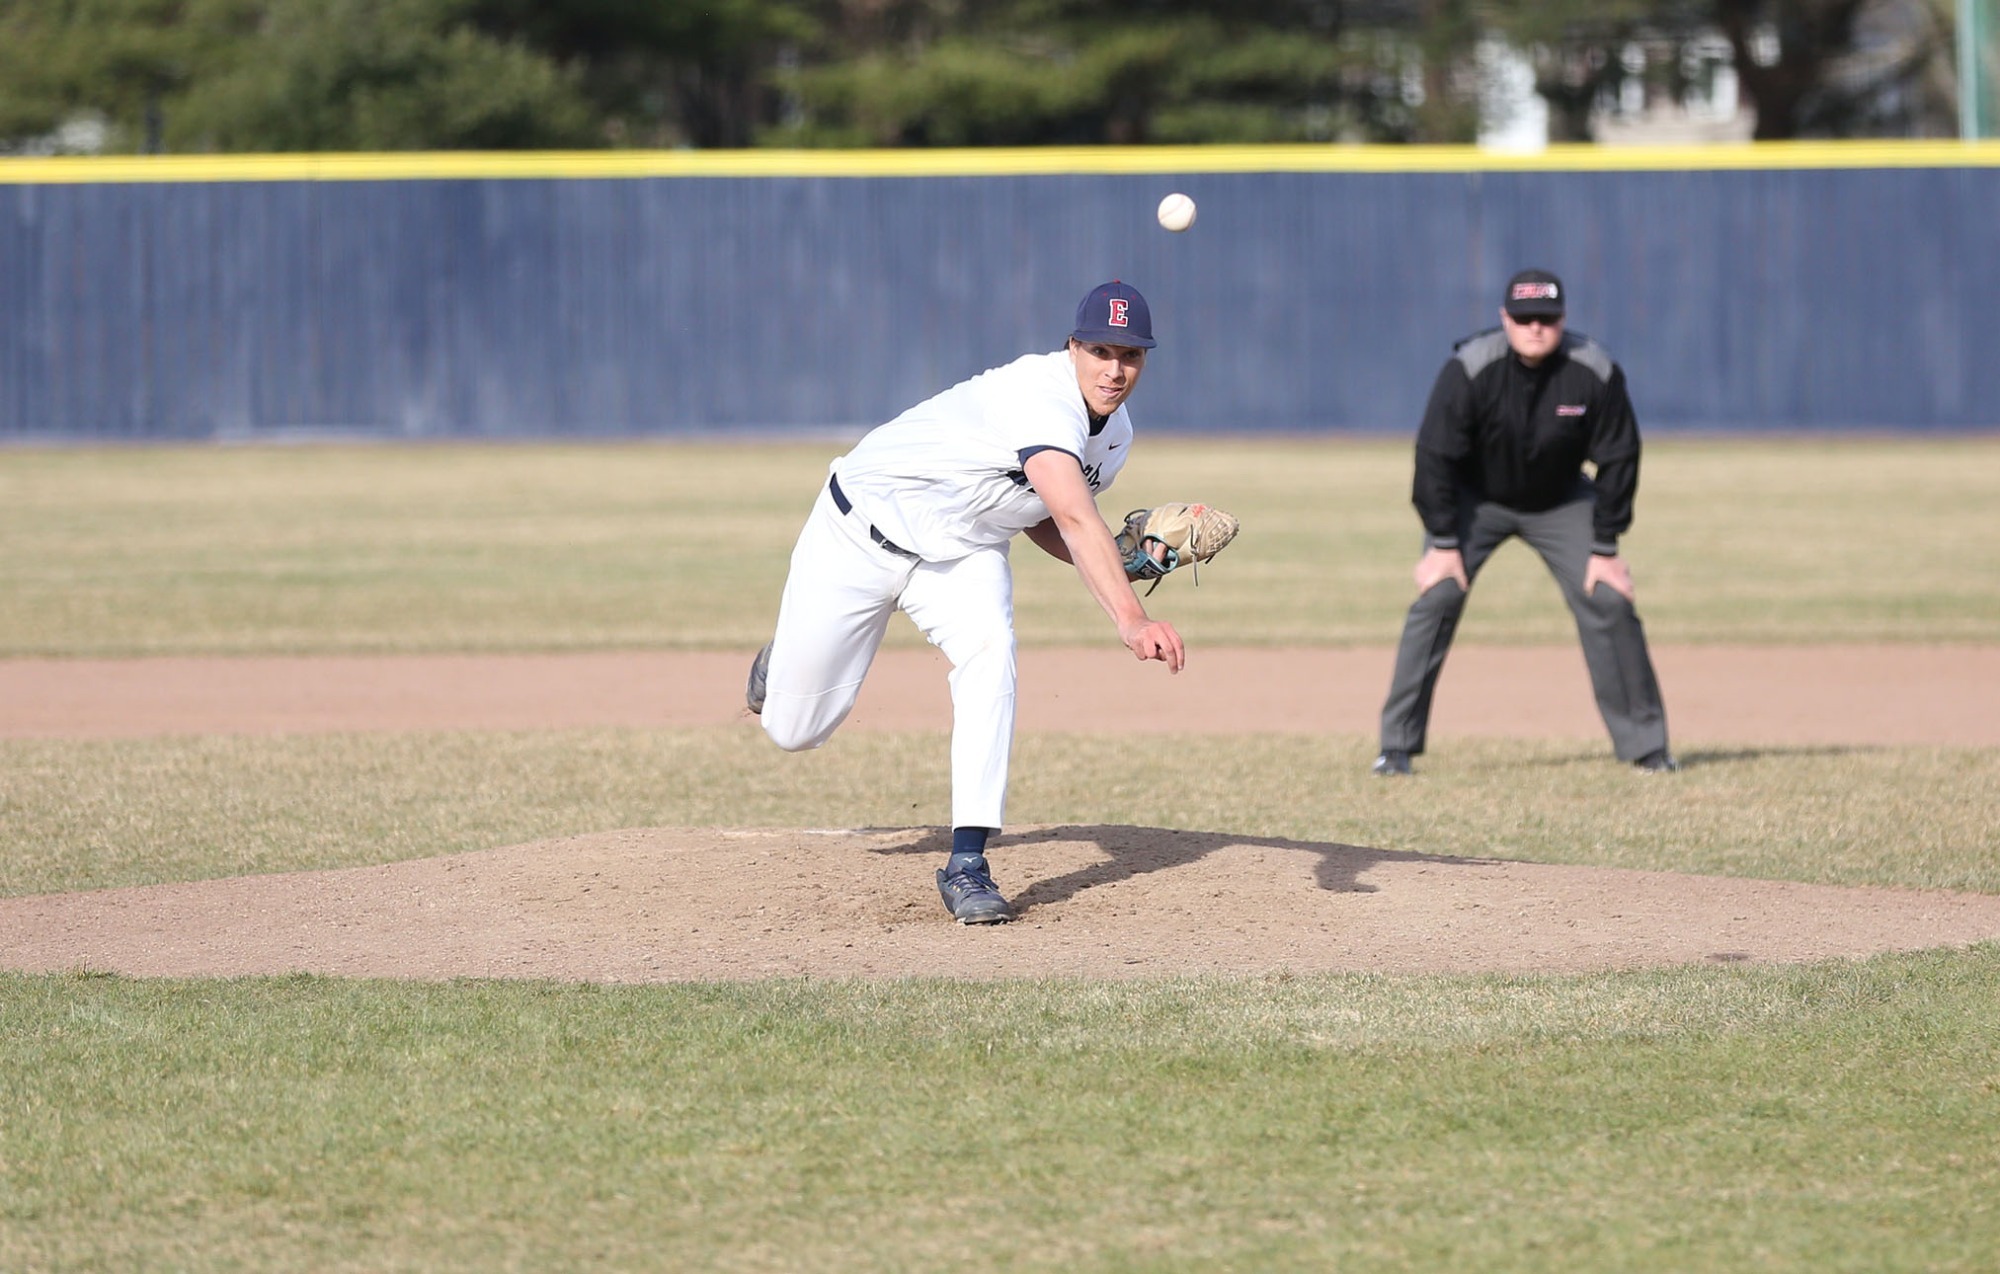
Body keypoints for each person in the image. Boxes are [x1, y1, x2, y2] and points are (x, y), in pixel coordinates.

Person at [748, 281, 1187, 924]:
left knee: (991, 655)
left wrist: (1125, 563)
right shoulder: (1039, 395)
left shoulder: (1115, 436)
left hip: (964, 555)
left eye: (1131, 355)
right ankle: (783, 660)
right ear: (1072, 348)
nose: (1114, 369)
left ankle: (968, 863)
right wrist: (1131, 615)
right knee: (794, 732)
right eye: (1100, 350)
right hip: (859, 530)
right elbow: (1072, 513)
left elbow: (1040, 513)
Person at [1373, 268, 1676, 777]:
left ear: (1562, 321)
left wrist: (1606, 546)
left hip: (1560, 500)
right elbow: (1434, 456)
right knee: (1439, 593)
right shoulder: (1471, 368)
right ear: (1504, 319)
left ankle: (1648, 748)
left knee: (1608, 597)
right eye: (1524, 317)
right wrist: (1444, 542)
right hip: (1475, 500)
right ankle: (1395, 747)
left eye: (1547, 318)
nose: (1535, 327)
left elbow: (1620, 457)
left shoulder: (1593, 370)